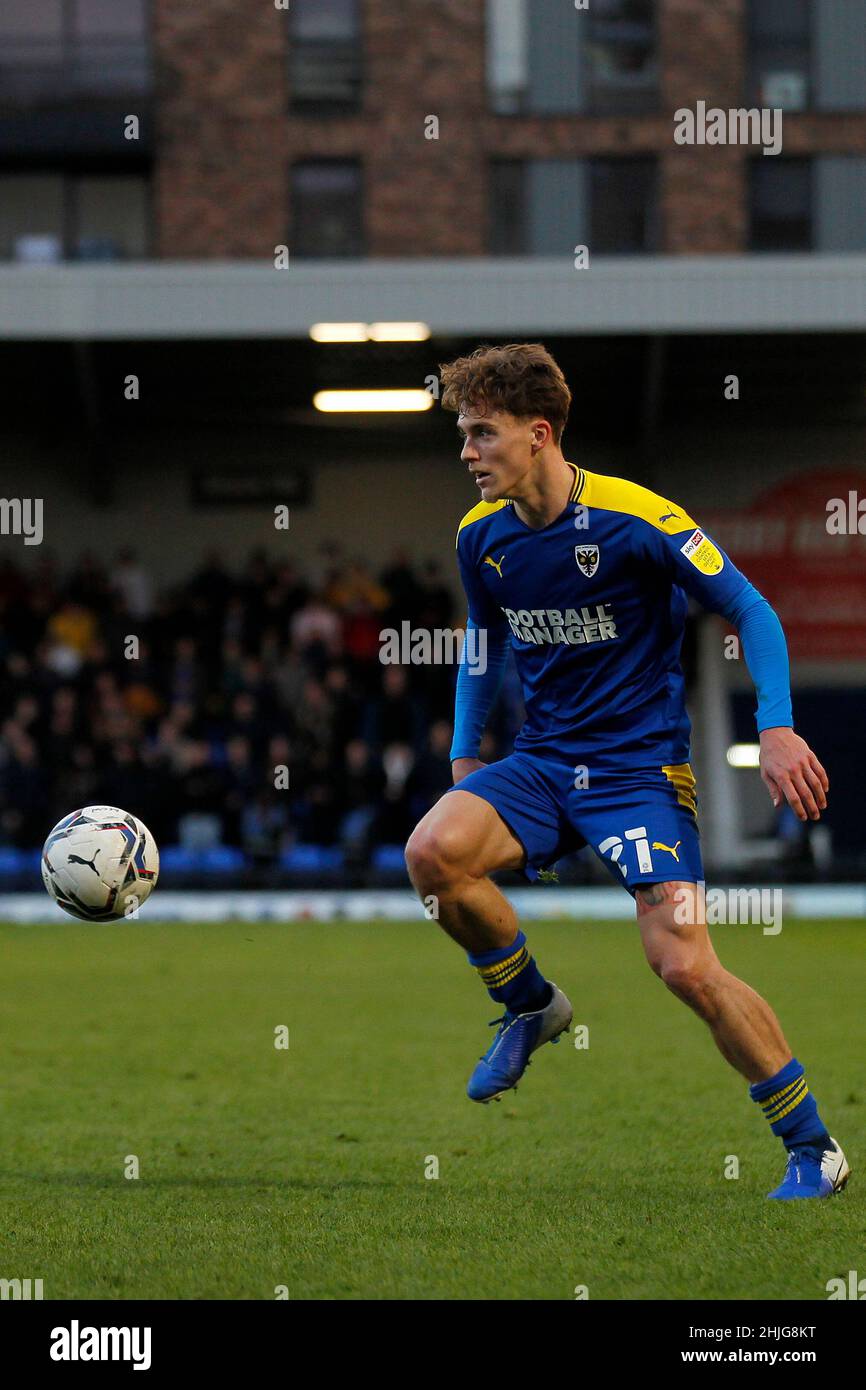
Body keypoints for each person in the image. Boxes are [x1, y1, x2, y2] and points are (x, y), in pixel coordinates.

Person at [405, 342, 848, 1202]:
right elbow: (483, 643)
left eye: (479, 434)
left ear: (538, 434)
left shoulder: (640, 519)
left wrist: (780, 725)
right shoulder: (480, 537)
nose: (465, 453)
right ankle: (531, 1005)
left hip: (640, 774)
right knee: (433, 854)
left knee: (683, 964)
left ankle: (813, 1148)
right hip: (539, 766)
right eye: (461, 434)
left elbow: (749, 607)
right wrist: (466, 756)